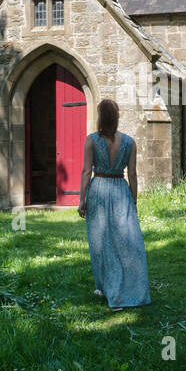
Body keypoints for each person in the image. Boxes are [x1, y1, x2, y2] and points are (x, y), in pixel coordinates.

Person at [77, 98, 150, 310]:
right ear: (116, 117)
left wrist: (82, 199)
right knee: (126, 241)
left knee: (101, 242)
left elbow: (86, 171)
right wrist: (134, 200)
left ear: (101, 117)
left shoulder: (91, 140)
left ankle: (111, 290)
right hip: (120, 189)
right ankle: (116, 287)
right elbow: (133, 174)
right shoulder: (129, 142)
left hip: (98, 189)